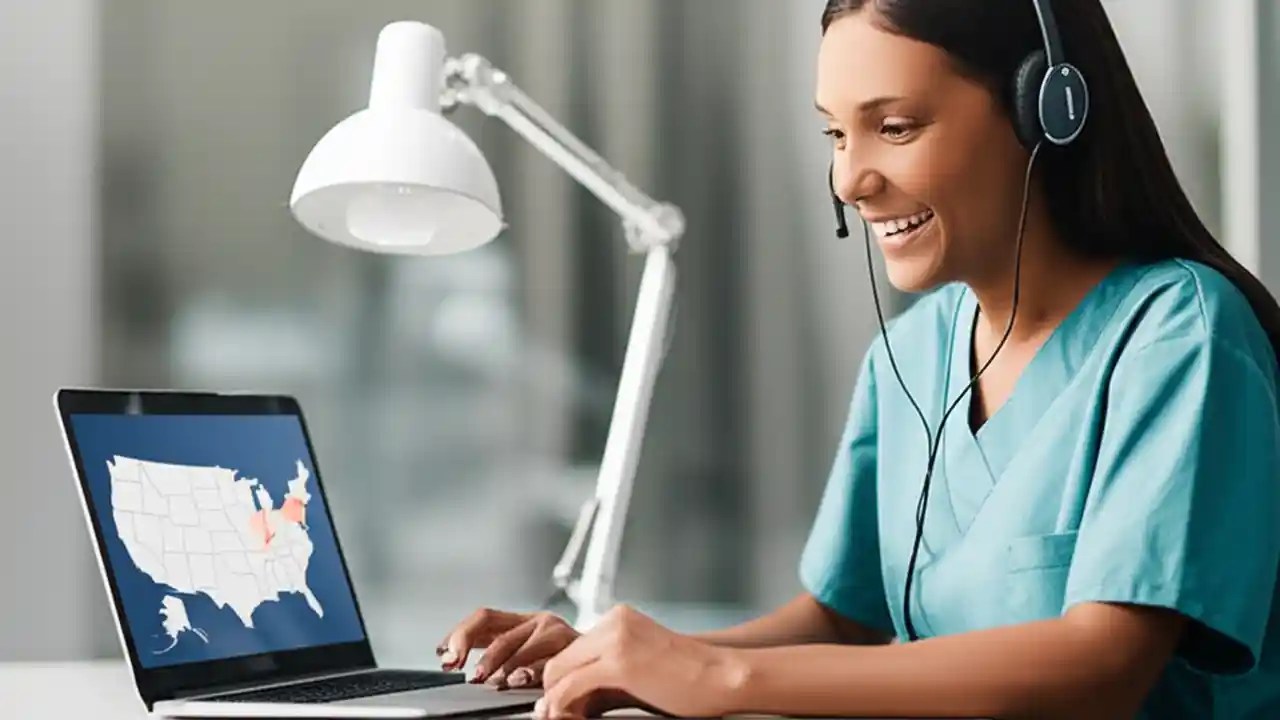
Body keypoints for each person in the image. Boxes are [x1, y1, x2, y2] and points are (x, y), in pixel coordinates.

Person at [434, 1, 1280, 718]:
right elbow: (844, 624)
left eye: (895, 126)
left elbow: (1105, 666)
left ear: (1043, 113)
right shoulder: (906, 357)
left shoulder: (1182, 332)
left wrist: (717, 676)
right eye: (837, 133)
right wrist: (616, 663)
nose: (848, 179)